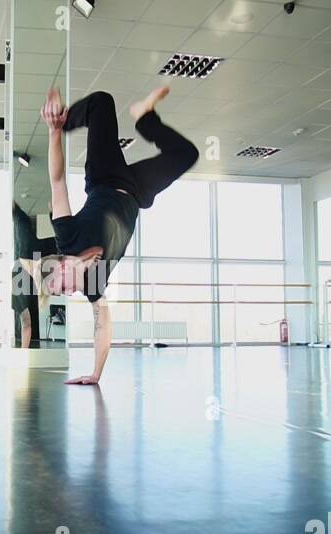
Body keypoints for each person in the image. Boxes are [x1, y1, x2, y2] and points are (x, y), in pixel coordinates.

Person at [38, 87, 199, 384]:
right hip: (136, 191)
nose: (66, 293)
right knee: (187, 154)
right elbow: (103, 326)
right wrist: (96, 374)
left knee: (102, 102)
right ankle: (145, 118)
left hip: (105, 176)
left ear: (61, 266)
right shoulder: (93, 284)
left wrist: (55, 133)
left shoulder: (67, 235)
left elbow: (57, 181)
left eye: (59, 287)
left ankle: (64, 118)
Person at [11, 201, 57, 348]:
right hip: (35, 256)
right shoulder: (25, 296)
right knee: (62, 243)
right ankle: (53, 212)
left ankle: (13, 206)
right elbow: (26, 325)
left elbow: (26, 325)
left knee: (22, 222)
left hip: (28, 256)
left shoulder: (19, 295)